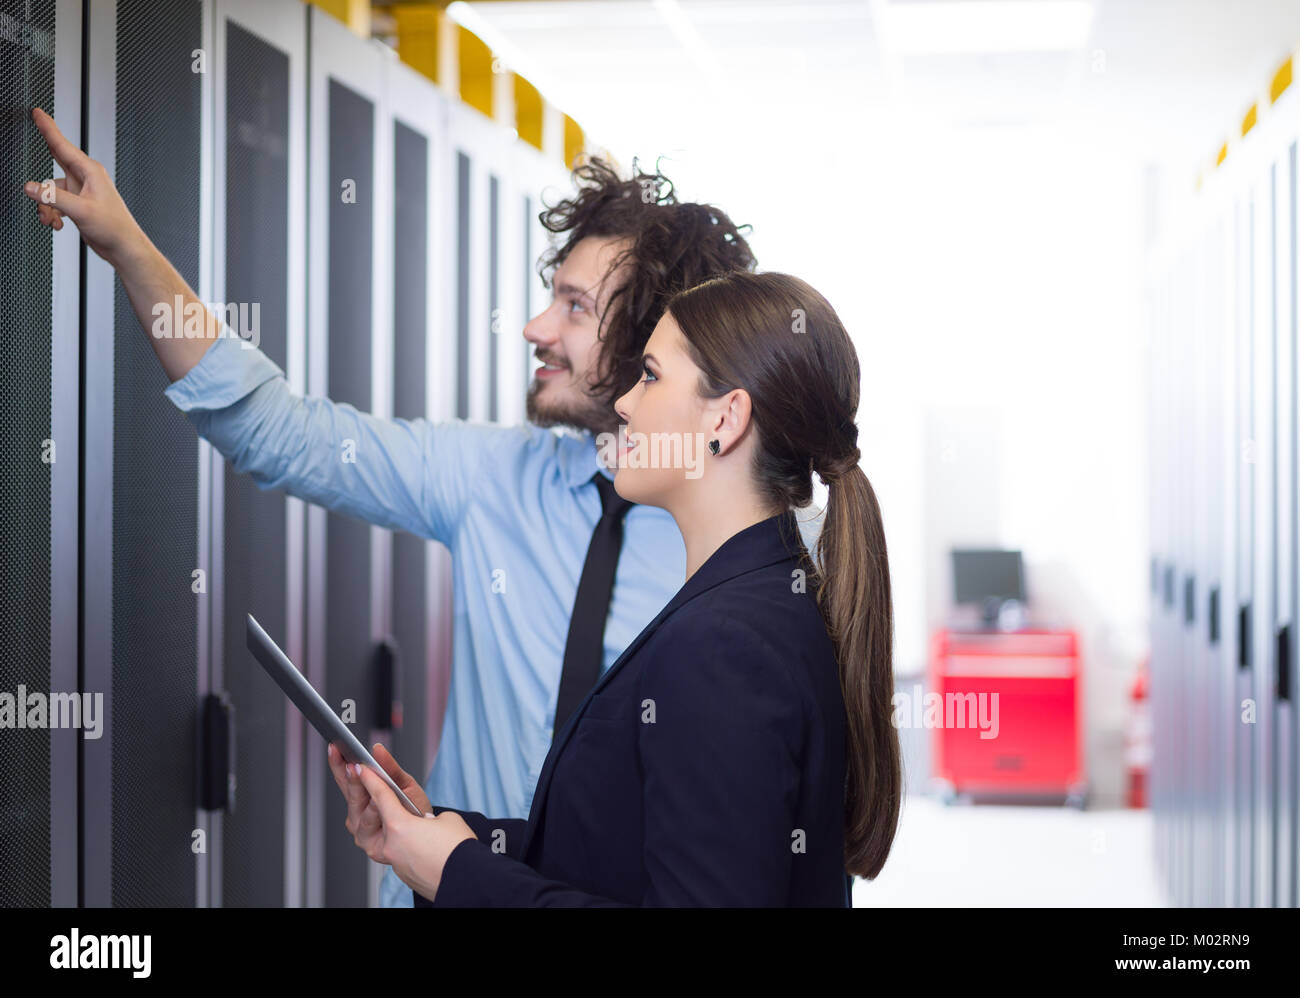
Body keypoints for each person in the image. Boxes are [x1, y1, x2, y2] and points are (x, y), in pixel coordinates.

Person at [20, 108, 824, 907]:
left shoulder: (734, 582)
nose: (536, 328)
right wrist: (128, 246)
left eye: (576, 308)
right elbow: (277, 430)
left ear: (662, 346)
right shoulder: (491, 476)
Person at [328, 270, 901, 905]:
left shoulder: (724, 643)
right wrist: (449, 838)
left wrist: (456, 873)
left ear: (726, 418)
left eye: (651, 375)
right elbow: (622, 861)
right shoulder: (764, 601)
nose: (625, 402)